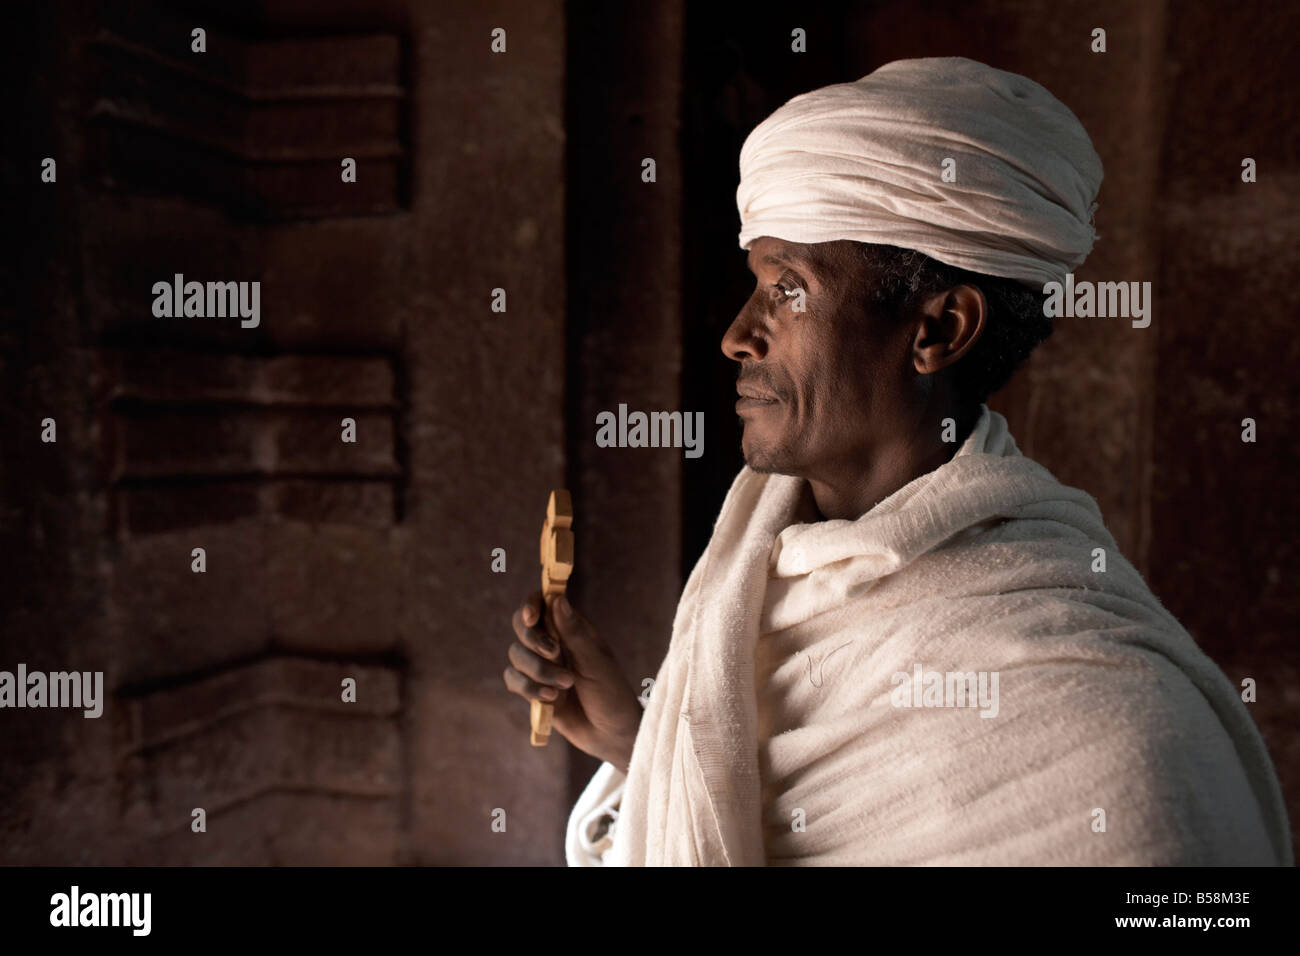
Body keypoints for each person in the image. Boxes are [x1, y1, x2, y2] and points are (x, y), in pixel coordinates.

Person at [502, 57, 1292, 866]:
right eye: (755, 285)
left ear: (939, 330)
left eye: (788, 289)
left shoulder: (1105, 729)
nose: (738, 335)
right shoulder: (757, 579)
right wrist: (650, 745)